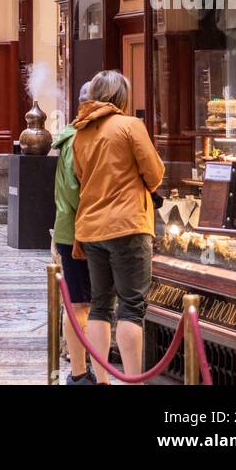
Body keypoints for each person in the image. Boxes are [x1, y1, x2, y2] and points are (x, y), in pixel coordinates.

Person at [72, 69, 164, 385]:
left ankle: (102, 380)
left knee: (100, 305)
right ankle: (133, 380)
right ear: (121, 96)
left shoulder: (81, 132)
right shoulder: (130, 126)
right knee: (131, 307)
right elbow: (154, 173)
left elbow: (80, 176)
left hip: (91, 228)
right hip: (128, 226)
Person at [53, 82, 95, 385]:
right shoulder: (75, 140)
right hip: (78, 233)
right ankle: (80, 370)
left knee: (87, 302)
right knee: (80, 303)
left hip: (83, 229)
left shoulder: (82, 137)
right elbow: (72, 190)